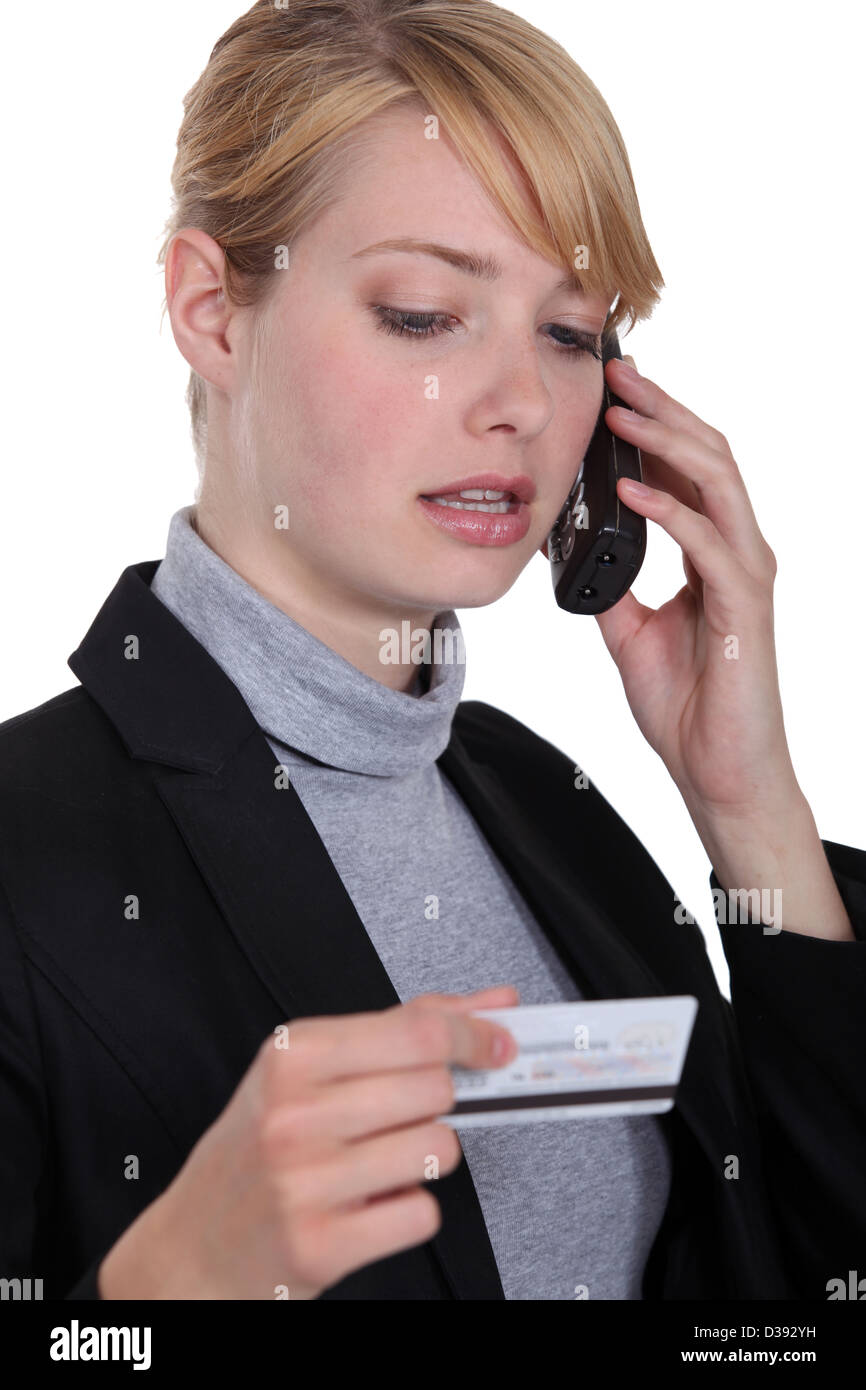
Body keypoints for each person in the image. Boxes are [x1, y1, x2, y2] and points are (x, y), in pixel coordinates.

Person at [1, 0, 864, 1303]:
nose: (519, 402)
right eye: (421, 313)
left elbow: (811, 1277)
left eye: (570, 333)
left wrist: (752, 814)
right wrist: (160, 1296)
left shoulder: (557, 814)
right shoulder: (24, 850)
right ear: (211, 311)